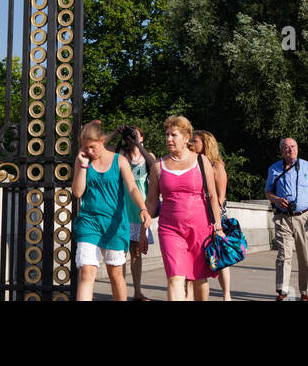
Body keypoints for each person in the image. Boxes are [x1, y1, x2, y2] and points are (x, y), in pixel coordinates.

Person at [145, 115, 223, 302]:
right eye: (167, 135)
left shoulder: (201, 161)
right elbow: (151, 201)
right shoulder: (158, 166)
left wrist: (218, 228)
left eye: (174, 135)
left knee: (199, 279)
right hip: (170, 229)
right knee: (174, 277)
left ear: (186, 137)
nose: (168, 139)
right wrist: (143, 228)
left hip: (201, 229)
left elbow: (212, 197)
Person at [72, 120, 151, 302]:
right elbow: (77, 192)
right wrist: (82, 165)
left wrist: (143, 209)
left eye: (92, 147)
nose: (89, 151)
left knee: (115, 274)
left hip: (114, 224)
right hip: (89, 222)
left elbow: (132, 187)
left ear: (102, 140)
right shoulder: (83, 161)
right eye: (85, 148)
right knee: (86, 271)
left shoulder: (119, 160)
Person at [265, 136, 308, 301]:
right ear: (281, 151)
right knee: (284, 255)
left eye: (293, 146)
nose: (290, 149)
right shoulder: (274, 169)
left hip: (304, 218)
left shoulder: (307, 167)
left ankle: (306, 292)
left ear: (297, 148)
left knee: (305, 257)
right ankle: (282, 291)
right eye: (286, 147)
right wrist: (276, 199)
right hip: (283, 218)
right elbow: (268, 192)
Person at [116, 123, 157, 301]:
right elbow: (109, 155)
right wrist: (119, 137)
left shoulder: (148, 156)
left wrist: (139, 145)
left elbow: (154, 166)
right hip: (123, 207)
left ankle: (137, 291)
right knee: (120, 253)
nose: (133, 138)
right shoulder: (122, 155)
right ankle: (121, 292)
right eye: (131, 136)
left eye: (137, 135)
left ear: (143, 138)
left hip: (140, 209)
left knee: (136, 253)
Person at [193, 131, 232, 301]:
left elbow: (221, 197)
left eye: (195, 141)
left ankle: (226, 294)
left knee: (220, 256)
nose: (191, 144)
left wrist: (216, 222)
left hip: (214, 217)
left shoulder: (217, 166)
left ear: (205, 144)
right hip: (197, 215)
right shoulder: (192, 163)